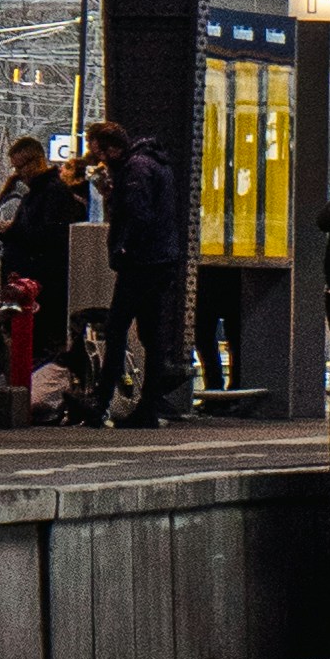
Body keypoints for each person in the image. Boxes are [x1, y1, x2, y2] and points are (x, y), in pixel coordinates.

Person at [84, 115, 193, 428]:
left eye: (100, 152)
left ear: (113, 148)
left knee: (117, 328)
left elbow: (137, 213)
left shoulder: (136, 169)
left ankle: (101, 403)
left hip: (141, 263)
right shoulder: (154, 163)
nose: (99, 159)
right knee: (151, 334)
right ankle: (148, 405)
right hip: (159, 260)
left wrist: (122, 248)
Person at [0, 135, 81, 369]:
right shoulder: (36, 193)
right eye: (17, 167)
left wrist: (10, 231)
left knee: (37, 351)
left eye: (23, 165)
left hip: (42, 291)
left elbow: (49, 236)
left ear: (38, 160)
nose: (21, 172)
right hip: (31, 288)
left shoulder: (53, 193)